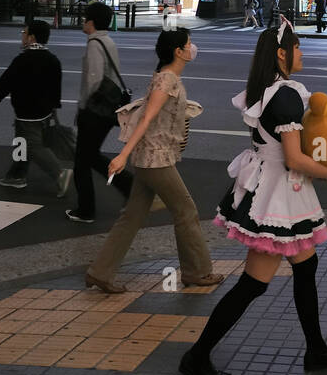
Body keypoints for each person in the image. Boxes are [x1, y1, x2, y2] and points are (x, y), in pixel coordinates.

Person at [179, 21, 327, 375]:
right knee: (253, 283)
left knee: (306, 267)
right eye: (298, 46)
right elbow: (293, 158)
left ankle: (316, 348)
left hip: (274, 188)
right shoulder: (287, 94)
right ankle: (197, 356)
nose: (301, 52)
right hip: (278, 195)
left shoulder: (267, 90)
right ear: (282, 53)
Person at [86, 29, 225, 293]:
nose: (192, 48)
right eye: (188, 44)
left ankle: (100, 272)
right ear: (178, 51)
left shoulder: (166, 77)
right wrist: (122, 155)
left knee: (132, 216)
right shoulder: (167, 80)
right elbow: (147, 118)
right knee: (186, 210)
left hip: (152, 156)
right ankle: (197, 271)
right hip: (155, 158)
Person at [66, 2, 133, 224]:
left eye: (85, 19)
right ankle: (129, 187)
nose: (83, 22)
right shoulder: (107, 40)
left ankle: (86, 210)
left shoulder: (95, 43)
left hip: (95, 110)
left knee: (82, 162)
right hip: (106, 110)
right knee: (91, 156)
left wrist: (82, 107)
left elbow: (92, 81)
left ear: (91, 22)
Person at [0, 20, 71, 197]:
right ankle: (16, 175)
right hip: (45, 111)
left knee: (32, 145)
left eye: (24, 33)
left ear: (31, 37)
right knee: (21, 143)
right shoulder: (52, 59)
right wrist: (54, 107)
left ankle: (60, 173)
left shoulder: (23, 59)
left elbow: (6, 81)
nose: (22, 36)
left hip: (27, 111)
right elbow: (56, 87)